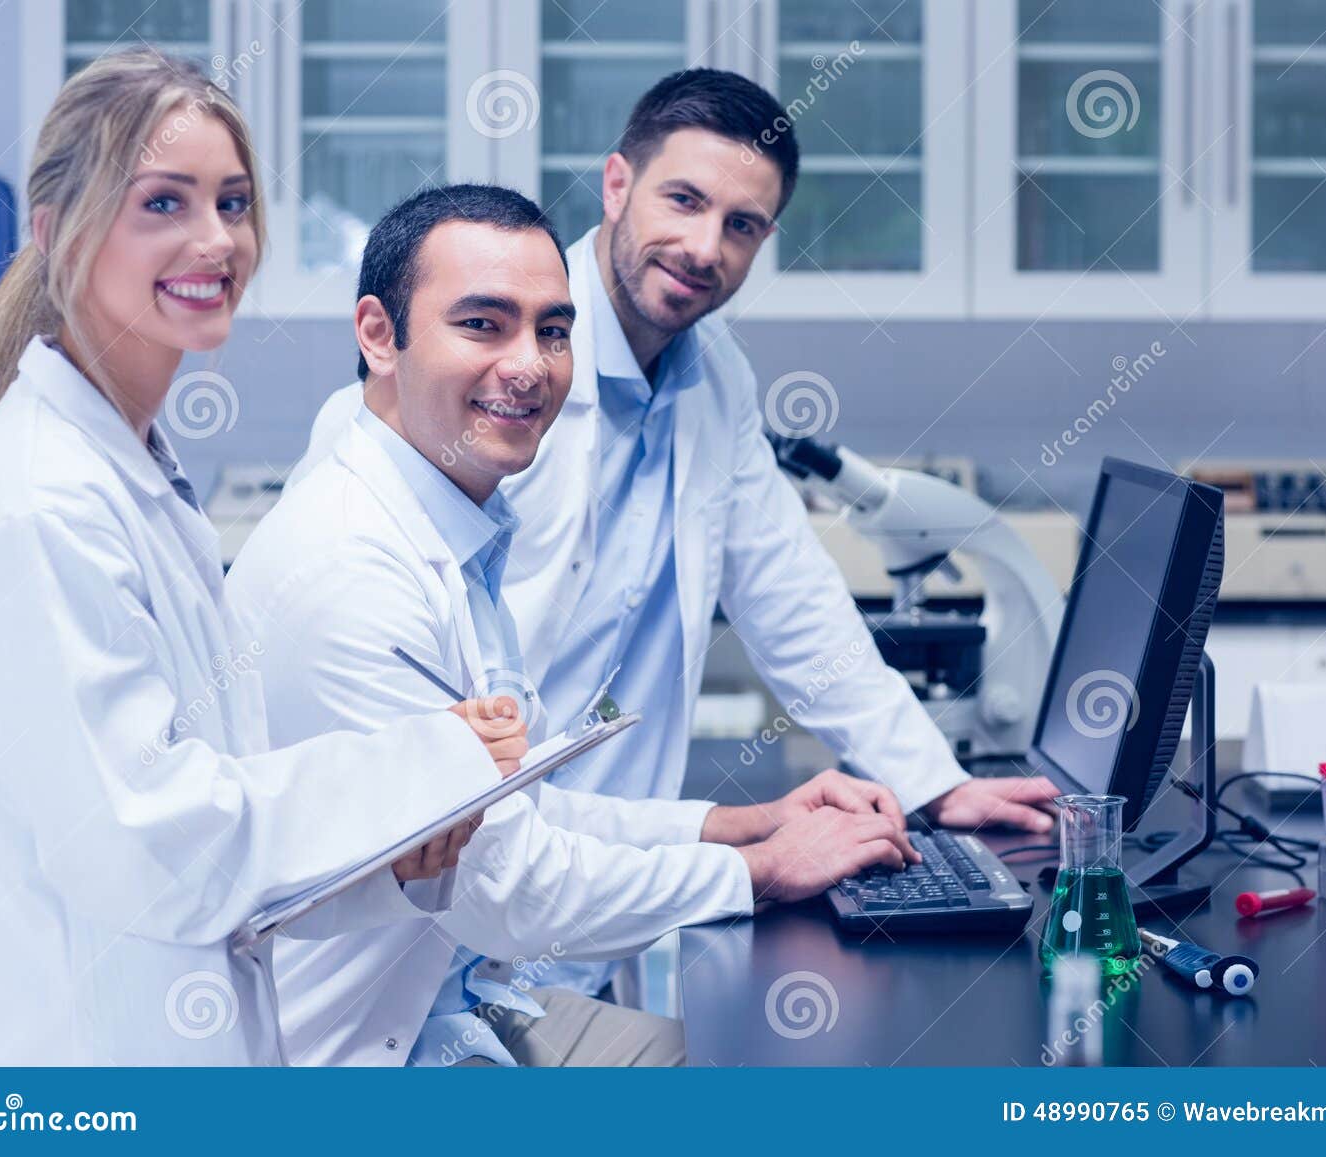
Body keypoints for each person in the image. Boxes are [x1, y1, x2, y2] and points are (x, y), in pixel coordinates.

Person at [291, 70, 1063, 1000]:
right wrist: (756, 859)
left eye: (742, 225)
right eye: (685, 200)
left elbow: (792, 598)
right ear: (617, 184)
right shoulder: (476, 384)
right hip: (454, 916)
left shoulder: (715, 376)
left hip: (602, 879)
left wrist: (935, 787)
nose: (704, 247)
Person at [0, 51, 520, 1066]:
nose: (216, 238)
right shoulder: (41, 500)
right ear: (58, 233)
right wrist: (424, 760)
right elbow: (159, 848)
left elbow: (213, 830)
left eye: (232, 201)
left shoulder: (131, 470)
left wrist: (395, 851)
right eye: (163, 201)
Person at [227, 184, 915, 1067]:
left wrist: (741, 824)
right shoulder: (356, 574)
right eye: (483, 324)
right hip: (360, 1057)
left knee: (781, 1071)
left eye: (553, 331)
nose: (531, 364)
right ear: (377, 333)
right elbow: (508, 890)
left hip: (460, 1007)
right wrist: (763, 871)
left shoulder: (451, 531)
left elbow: (516, 819)